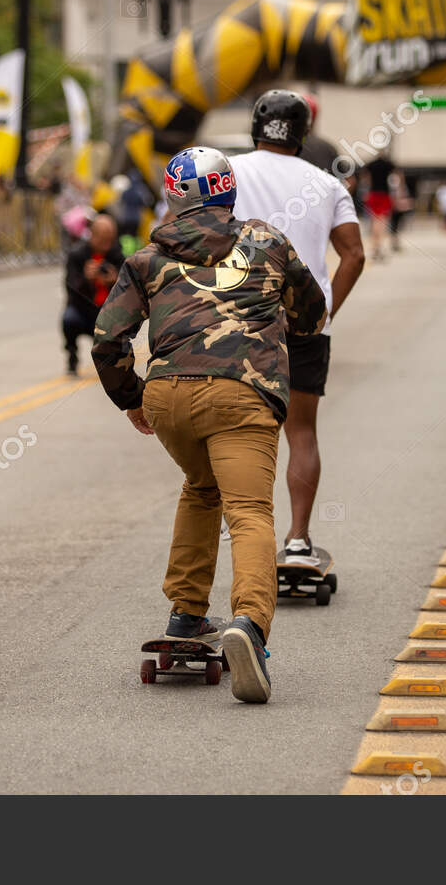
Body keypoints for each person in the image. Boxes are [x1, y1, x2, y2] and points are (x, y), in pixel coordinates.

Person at [93, 146, 327, 704]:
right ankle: (249, 625)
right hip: (242, 393)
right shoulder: (266, 242)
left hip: (169, 395)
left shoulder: (147, 258)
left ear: (173, 196)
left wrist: (133, 399)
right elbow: (312, 313)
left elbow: (107, 338)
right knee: (248, 511)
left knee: (202, 488)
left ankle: (186, 614)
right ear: (228, 190)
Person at [230, 90, 366, 569]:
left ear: (255, 128)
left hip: (236, 320)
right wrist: (326, 309)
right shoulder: (328, 185)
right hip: (302, 325)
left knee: (234, 435)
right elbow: (354, 254)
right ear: (304, 135)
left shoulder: (226, 170)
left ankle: (243, 539)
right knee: (301, 432)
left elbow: (184, 226)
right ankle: (298, 540)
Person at [63, 213, 124, 375]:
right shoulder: (77, 255)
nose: (106, 244)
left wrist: (115, 280)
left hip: (107, 313)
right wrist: (86, 278)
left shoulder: (117, 255)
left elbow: (131, 291)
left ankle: (117, 361)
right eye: (102, 239)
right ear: (93, 235)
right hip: (84, 311)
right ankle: (72, 354)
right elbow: (70, 288)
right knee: (69, 319)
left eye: (110, 239)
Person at [363, 151, 395, 261]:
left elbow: (366, 179)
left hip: (373, 194)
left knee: (374, 220)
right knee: (382, 221)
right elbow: (396, 178)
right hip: (384, 194)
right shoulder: (388, 165)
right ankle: (378, 246)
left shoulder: (371, 165)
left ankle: (375, 246)